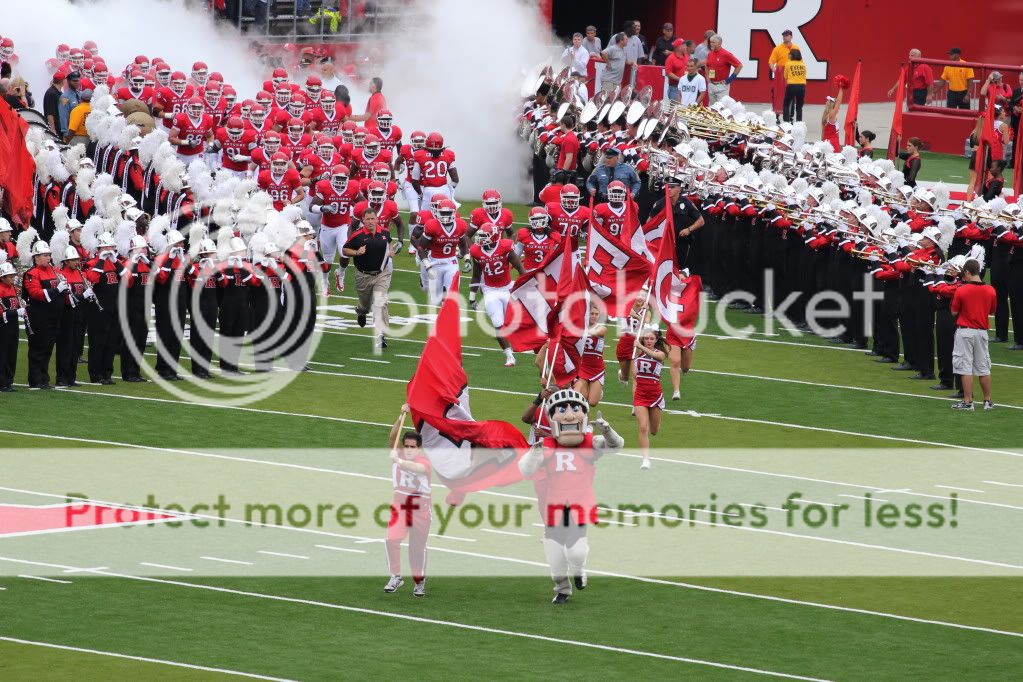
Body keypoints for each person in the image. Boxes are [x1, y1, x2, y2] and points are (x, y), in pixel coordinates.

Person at [518, 389, 624, 604]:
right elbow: (525, 470)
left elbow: (616, 446)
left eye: (574, 409)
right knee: (554, 553)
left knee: (575, 552)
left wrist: (607, 430)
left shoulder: (589, 442)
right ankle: (562, 590)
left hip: (578, 503)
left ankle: (578, 569)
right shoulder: (547, 446)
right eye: (562, 410)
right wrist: (534, 453)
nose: (568, 416)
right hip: (555, 505)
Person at [383, 405, 432, 597]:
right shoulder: (399, 453)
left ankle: (419, 581)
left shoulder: (423, 461)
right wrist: (401, 414)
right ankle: (396, 576)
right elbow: (392, 438)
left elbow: (417, 469)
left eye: (414, 447)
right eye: (407, 447)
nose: (410, 450)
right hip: (400, 506)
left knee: (416, 549)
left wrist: (399, 461)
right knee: (391, 539)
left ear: (419, 448)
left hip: (420, 509)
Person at [468, 223, 523, 366]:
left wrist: (527, 285)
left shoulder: (505, 247)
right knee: (497, 323)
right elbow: (476, 275)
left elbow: (519, 267)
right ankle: (509, 355)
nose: (480, 239)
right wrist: (472, 296)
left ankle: (522, 343)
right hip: (490, 290)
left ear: (493, 236)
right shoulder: (476, 251)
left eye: (484, 236)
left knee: (512, 322)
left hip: (507, 288)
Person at [343, 209, 397, 348]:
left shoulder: (385, 232)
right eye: (367, 219)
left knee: (380, 302)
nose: (370, 222)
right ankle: (361, 311)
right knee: (365, 305)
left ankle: (380, 335)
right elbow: (345, 250)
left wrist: (390, 251)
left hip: (381, 274)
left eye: (373, 219)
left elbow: (389, 242)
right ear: (363, 221)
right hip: (363, 275)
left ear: (377, 219)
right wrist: (356, 252)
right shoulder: (357, 236)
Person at [950, 259, 997, 410]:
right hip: (982, 333)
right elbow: (992, 311)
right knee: (984, 368)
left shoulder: (962, 290)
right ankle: (987, 401)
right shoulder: (991, 290)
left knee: (965, 367)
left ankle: (968, 401)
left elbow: (954, 312)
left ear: (967, 272)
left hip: (965, 331)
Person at [22, 240, 65, 390]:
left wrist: (65, 287)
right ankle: (35, 380)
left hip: (53, 315)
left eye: (49, 255)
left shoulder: (54, 271)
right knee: (38, 348)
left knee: (48, 348)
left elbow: (60, 289)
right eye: (45, 255)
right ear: (36, 257)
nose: (48, 258)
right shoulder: (32, 273)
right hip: (39, 316)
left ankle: (44, 378)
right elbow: (36, 294)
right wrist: (57, 290)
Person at [650, 177, 704, 269]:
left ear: (679, 188)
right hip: (664, 242)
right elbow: (649, 222)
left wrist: (689, 229)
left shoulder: (686, 203)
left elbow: (701, 221)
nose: (669, 189)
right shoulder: (660, 203)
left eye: (672, 187)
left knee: (679, 268)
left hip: (681, 241)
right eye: (667, 187)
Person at [633, 328, 666, 470]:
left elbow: (656, 356)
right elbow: (634, 376)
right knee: (642, 428)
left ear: (656, 340)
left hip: (655, 395)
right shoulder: (637, 354)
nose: (649, 341)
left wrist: (639, 346)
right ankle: (645, 459)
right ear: (643, 339)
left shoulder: (660, 353)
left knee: (654, 430)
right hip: (640, 394)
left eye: (651, 339)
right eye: (646, 338)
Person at [574, 305, 606, 407]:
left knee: (592, 403)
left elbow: (598, 332)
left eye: (596, 314)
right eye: (591, 314)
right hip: (583, 367)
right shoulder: (580, 327)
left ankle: (597, 392)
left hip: (597, 368)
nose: (594, 316)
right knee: (582, 400)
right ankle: (584, 422)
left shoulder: (601, 328)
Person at [705, 34, 743, 105]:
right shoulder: (710, 54)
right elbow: (707, 65)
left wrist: (729, 79)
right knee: (712, 108)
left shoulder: (726, 54)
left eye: (713, 42)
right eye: (710, 42)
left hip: (722, 85)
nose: (711, 44)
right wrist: (707, 77)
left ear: (719, 43)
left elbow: (739, 65)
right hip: (711, 84)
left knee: (722, 108)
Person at [0, 261, 20, 392]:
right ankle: (2, 383)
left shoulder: (12, 288)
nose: (13, 278)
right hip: (3, 326)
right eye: (10, 276)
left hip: (13, 325)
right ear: (2, 277)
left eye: (13, 275)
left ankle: (9, 380)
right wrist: (15, 312)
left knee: (12, 353)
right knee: (3, 353)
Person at [782, 49, 807, 123]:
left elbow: (785, 76)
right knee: (799, 106)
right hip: (802, 86)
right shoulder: (803, 64)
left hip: (791, 85)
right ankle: (799, 124)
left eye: (789, 54)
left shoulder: (788, 64)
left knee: (786, 104)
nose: (788, 55)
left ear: (792, 55)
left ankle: (786, 123)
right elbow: (804, 75)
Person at [553, 115, 579, 184]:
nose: (560, 126)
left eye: (560, 124)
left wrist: (563, 174)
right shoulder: (572, 136)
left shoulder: (569, 139)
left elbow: (569, 158)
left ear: (563, 124)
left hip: (565, 173)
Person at [57, 71, 82, 141]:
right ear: (68, 81)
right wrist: (65, 133)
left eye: (77, 80)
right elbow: (63, 115)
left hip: (81, 132)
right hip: (71, 133)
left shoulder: (80, 94)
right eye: (74, 81)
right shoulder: (65, 97)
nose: (77, 82)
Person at [43, 68, 67, 137]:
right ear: (62, 81)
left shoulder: (59, 92)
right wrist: (53, 130)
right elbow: (50, 114)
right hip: (56, 128)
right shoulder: (51, 93)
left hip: (60, 126)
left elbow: (63, 105)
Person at [821, 87, 844, 152]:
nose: (839, 108)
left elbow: (823, 133)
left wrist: (822, 143)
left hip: (825, 143)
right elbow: (839, 102)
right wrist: (841, 88)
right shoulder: (832, 115)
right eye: (837, 107)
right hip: (833, 144)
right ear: (834, 107)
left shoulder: (825, 116)